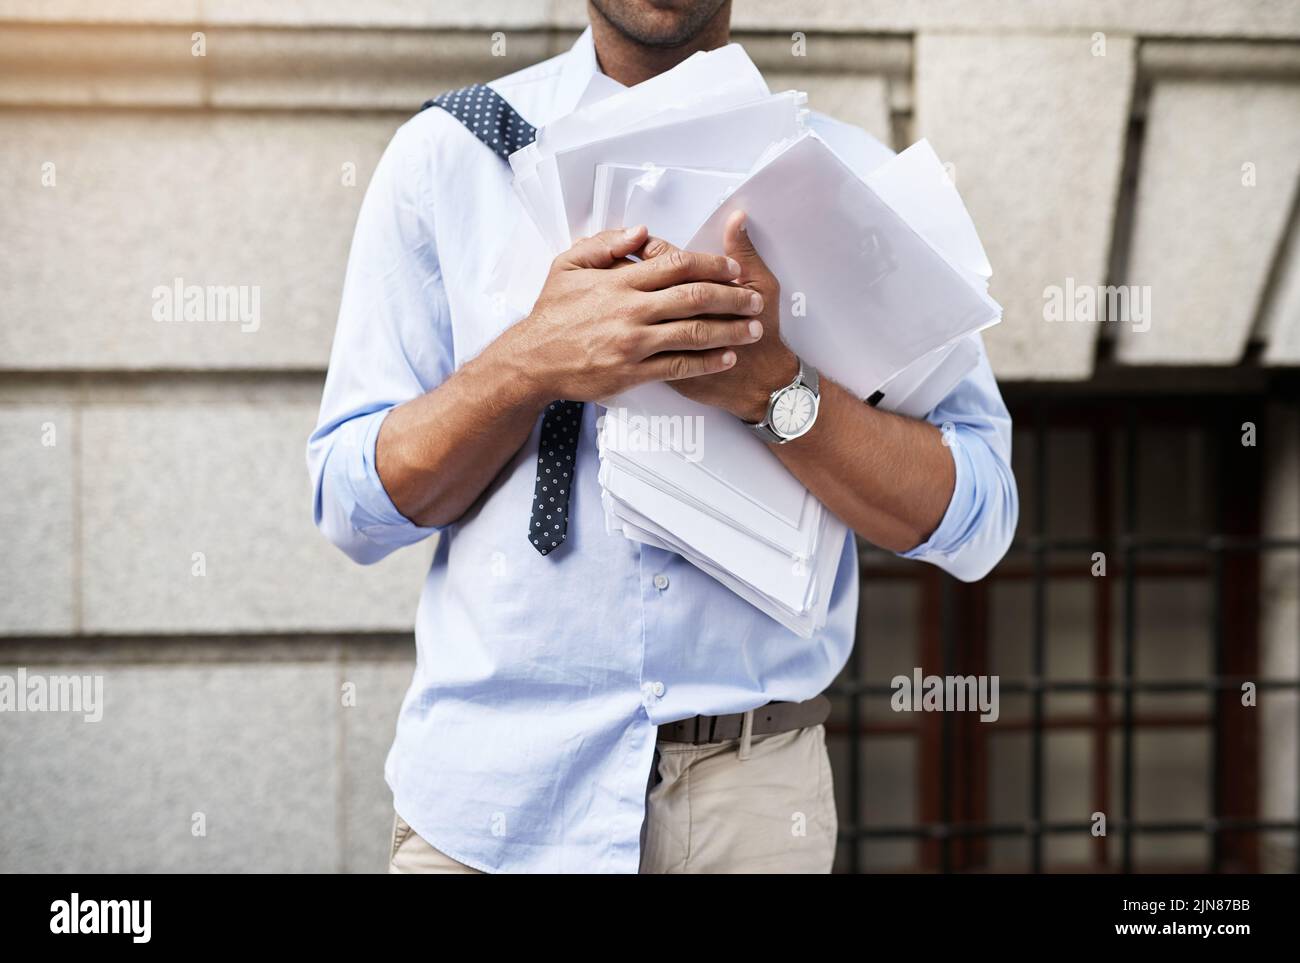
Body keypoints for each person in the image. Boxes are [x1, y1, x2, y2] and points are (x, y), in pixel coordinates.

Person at [307, 0, 1017, 874]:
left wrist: (780, 391)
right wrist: (529, 363)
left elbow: (981, 515)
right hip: (490, 806)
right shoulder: (446, 159)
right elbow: (351, 505)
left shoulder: (859, 186)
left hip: (753, 812)